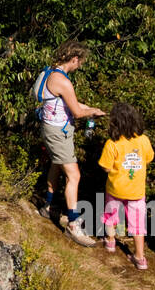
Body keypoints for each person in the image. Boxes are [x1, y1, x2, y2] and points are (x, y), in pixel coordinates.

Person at [33, 40, 107, 246]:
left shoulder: (47, 72)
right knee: (74, 175)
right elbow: (76, 111)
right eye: (79, 62)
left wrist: (91, 108)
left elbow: (66, 102)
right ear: (74, 59)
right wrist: (92, 112)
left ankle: (48, 205)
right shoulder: (63, 81)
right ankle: (73, 224)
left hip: (50, 128)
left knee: (56, 165)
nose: (79, 66)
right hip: (58, 132)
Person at [97, 102, 154, 269]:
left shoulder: (112, 143)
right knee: (137, 224)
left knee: (110, 215)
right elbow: (149, 158)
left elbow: (106, 166)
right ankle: (140, 257)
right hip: (136, 191)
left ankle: (110, 241)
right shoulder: (144, 140)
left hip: (115, 188)